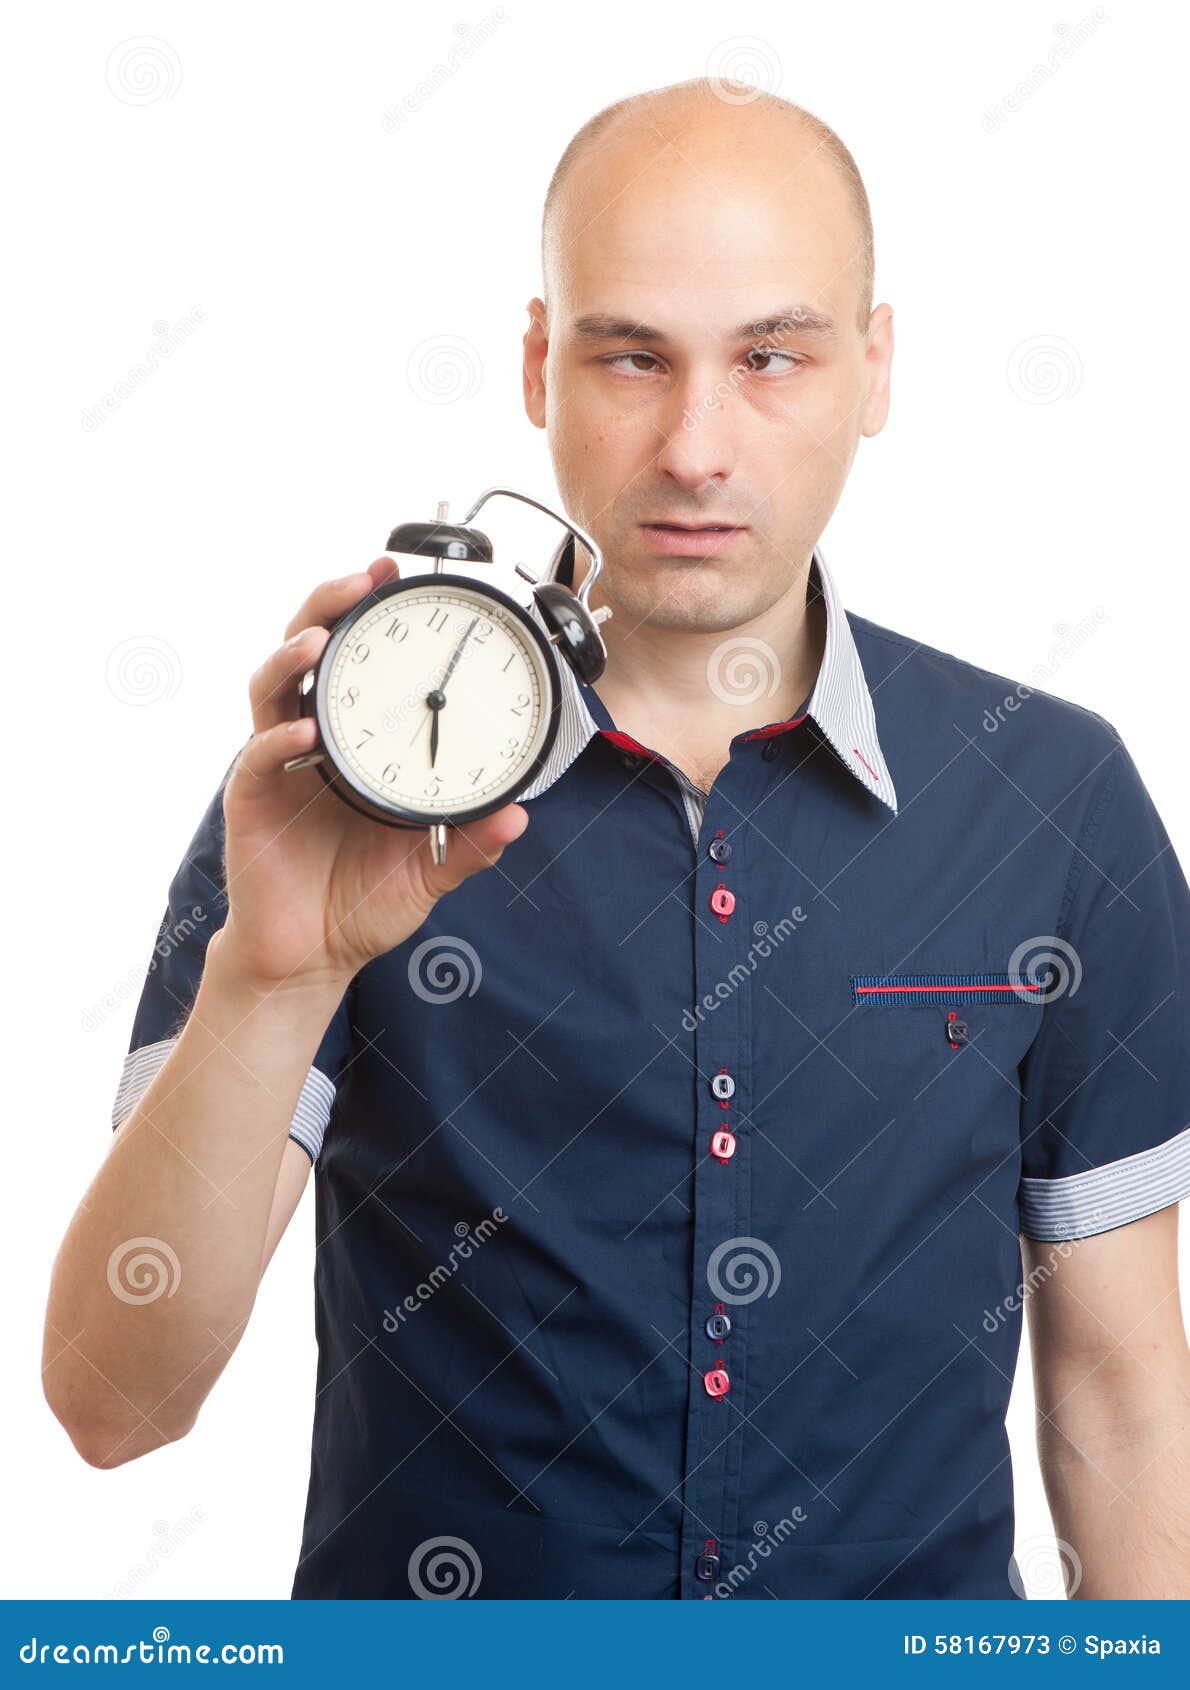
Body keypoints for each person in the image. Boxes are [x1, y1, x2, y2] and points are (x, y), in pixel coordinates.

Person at [44, 77, 1190, 1600]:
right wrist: (273, 974)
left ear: (872, 368)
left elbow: (1117, 1392)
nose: (695, 447)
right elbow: (117, 1405)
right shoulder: (339, 787)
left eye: (770, 357)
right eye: (631, 356)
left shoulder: (1046, 798)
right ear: (538, 364)